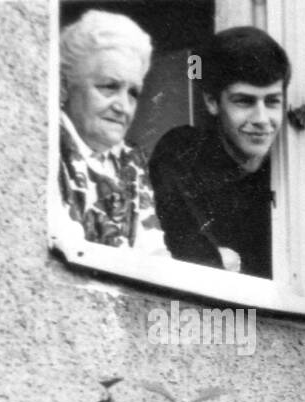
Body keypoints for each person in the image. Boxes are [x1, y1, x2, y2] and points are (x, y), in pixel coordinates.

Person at [149, 27, 290, 279]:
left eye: (272, 102)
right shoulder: (182, 152)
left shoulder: (292, 170)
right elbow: (192, 259)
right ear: (212, 102)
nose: (261, 119)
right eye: (244, 101)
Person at [57, 10, 166, 254]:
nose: (123, 107)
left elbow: (153, 254)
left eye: (133, 93)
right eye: (109, 87)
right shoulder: (44, 146)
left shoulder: (132, 160)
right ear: (64, 87)